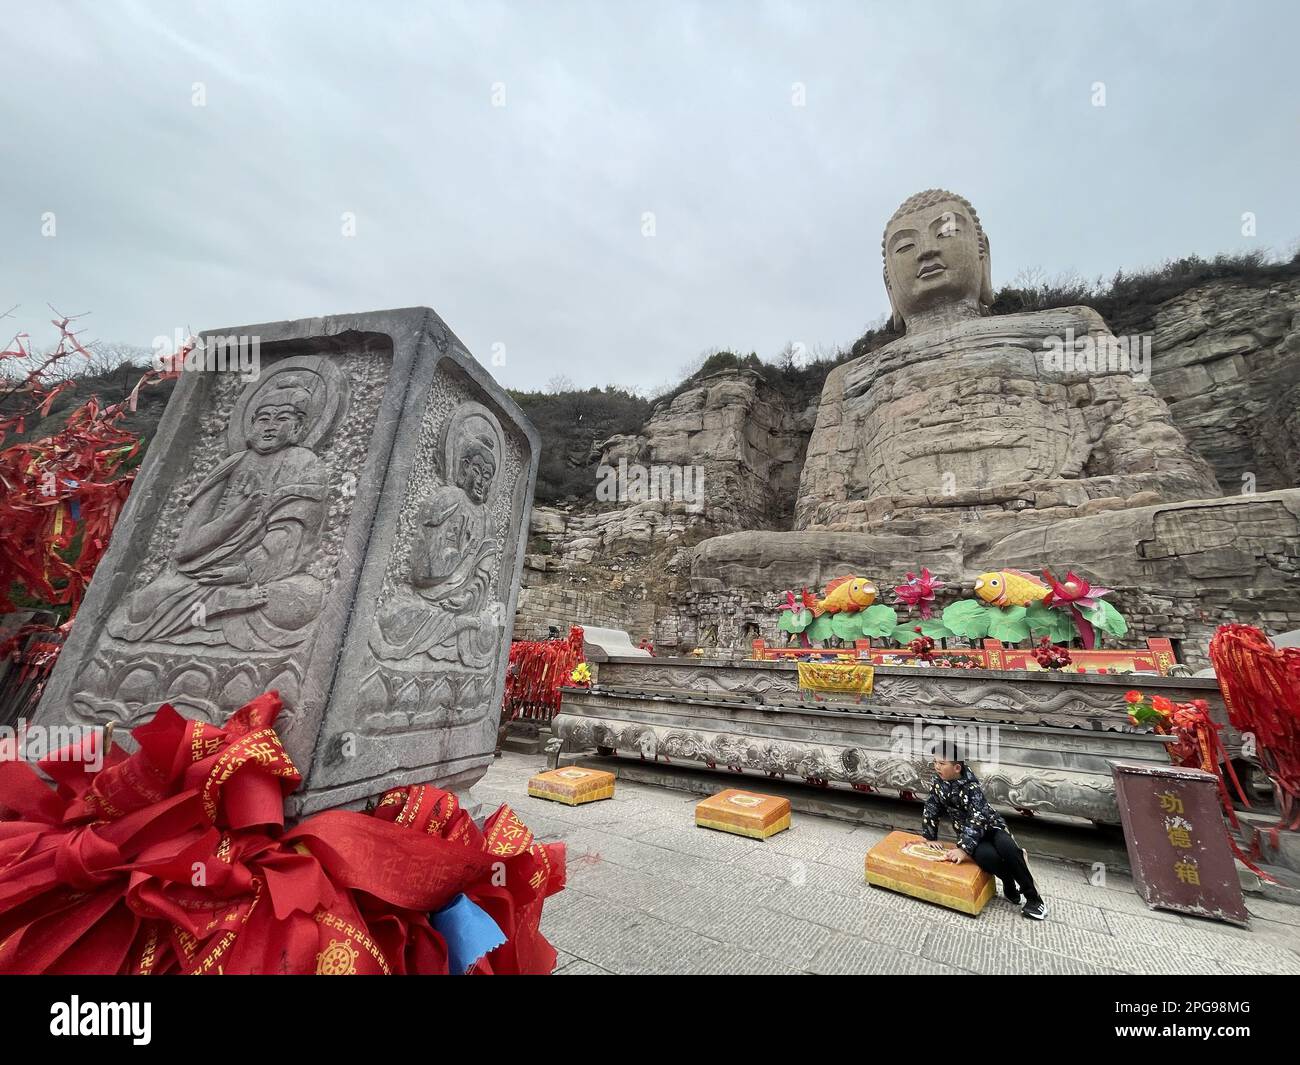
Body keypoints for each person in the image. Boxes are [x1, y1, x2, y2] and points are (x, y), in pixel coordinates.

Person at [920, 747, 1047, 920]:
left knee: (1008, 848)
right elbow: (932, 806)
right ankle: (1008, 881)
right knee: (986, 857)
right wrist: (929, 837)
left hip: (991, 827)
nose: (936, 767)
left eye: (942, 763)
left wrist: (963, 849)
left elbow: (978, 817)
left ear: (957, 768)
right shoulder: (938, 783)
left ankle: (1034, 899)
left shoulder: (972, 787)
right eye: (935, 762)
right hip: (969, 835)